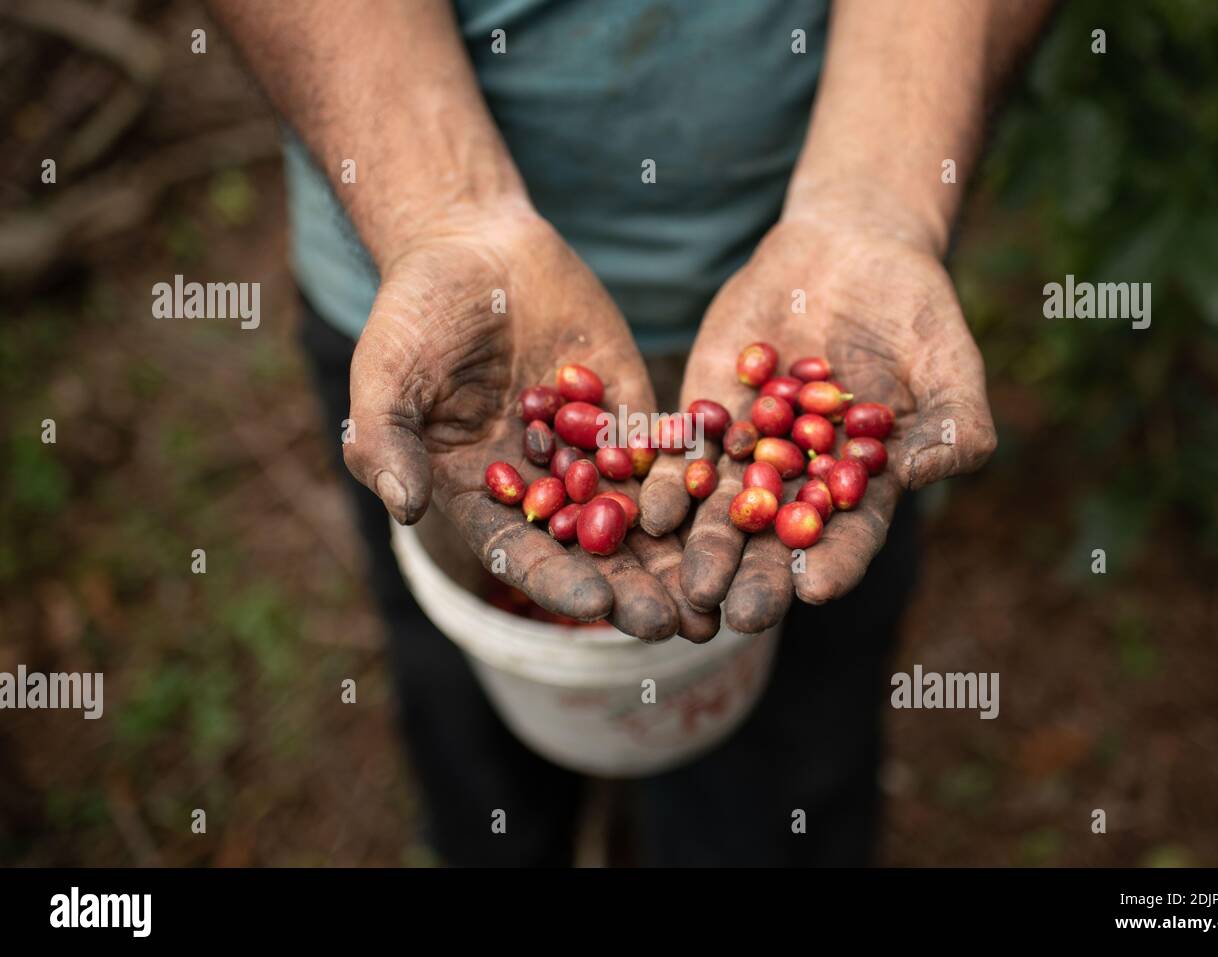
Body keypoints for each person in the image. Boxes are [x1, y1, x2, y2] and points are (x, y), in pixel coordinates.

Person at [211, 0, 1053, 865]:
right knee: (480, 773)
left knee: (777, 785)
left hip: (828, 290)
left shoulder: (803, 407)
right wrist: (443, 216)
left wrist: (879, 205)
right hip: (443, 333)